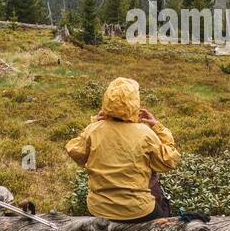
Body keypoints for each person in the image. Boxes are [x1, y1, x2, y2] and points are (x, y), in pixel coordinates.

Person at [65, 77, 180, 221]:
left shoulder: (94, 130)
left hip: (99, 209)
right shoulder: (145, 133)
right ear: (134, 103)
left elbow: (75, 151)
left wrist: (95, 123)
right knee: (164, 212)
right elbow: (169, 161)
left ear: (106, 101)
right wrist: (157, 126)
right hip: (138, 210)